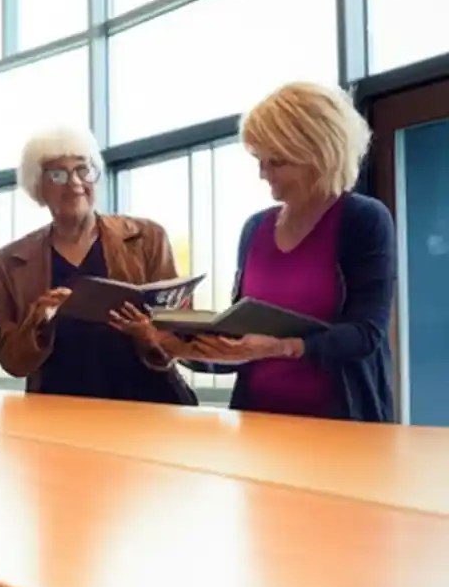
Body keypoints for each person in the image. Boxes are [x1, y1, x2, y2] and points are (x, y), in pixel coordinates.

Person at [165, 82, 396, 421]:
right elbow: (241, 344)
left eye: (275, 162)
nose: (262, 174)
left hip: (342, 429)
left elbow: (365, 334)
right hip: (258, 425)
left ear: (318, 154)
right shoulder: (254, 229)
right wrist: (178, 346)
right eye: (259, 160)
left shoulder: (363, 220)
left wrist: (282, 346)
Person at [0, 126, 196, 405]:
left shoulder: (147, 238)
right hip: (59, 410)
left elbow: (183, 333)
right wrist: (39, 319)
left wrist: (148, 334)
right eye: (57, 174)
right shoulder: (8, 264)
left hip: (149, 405)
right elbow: (12, 362)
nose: (74, 182)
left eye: (83, 170)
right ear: (38, 186)